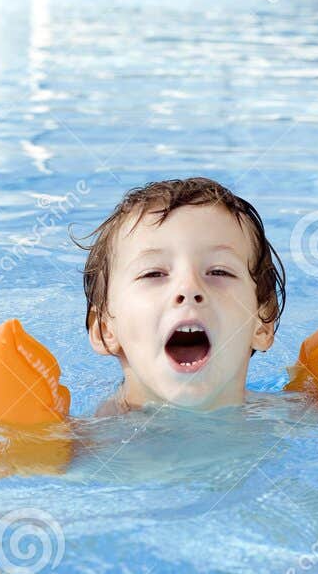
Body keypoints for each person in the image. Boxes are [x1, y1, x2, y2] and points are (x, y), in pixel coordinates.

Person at [76, 177, 287, 417]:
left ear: (262, 325)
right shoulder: (81, 444)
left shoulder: (299, 421)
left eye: (219, 272)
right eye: (153, 273)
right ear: (106, 330)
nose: (189, 288)